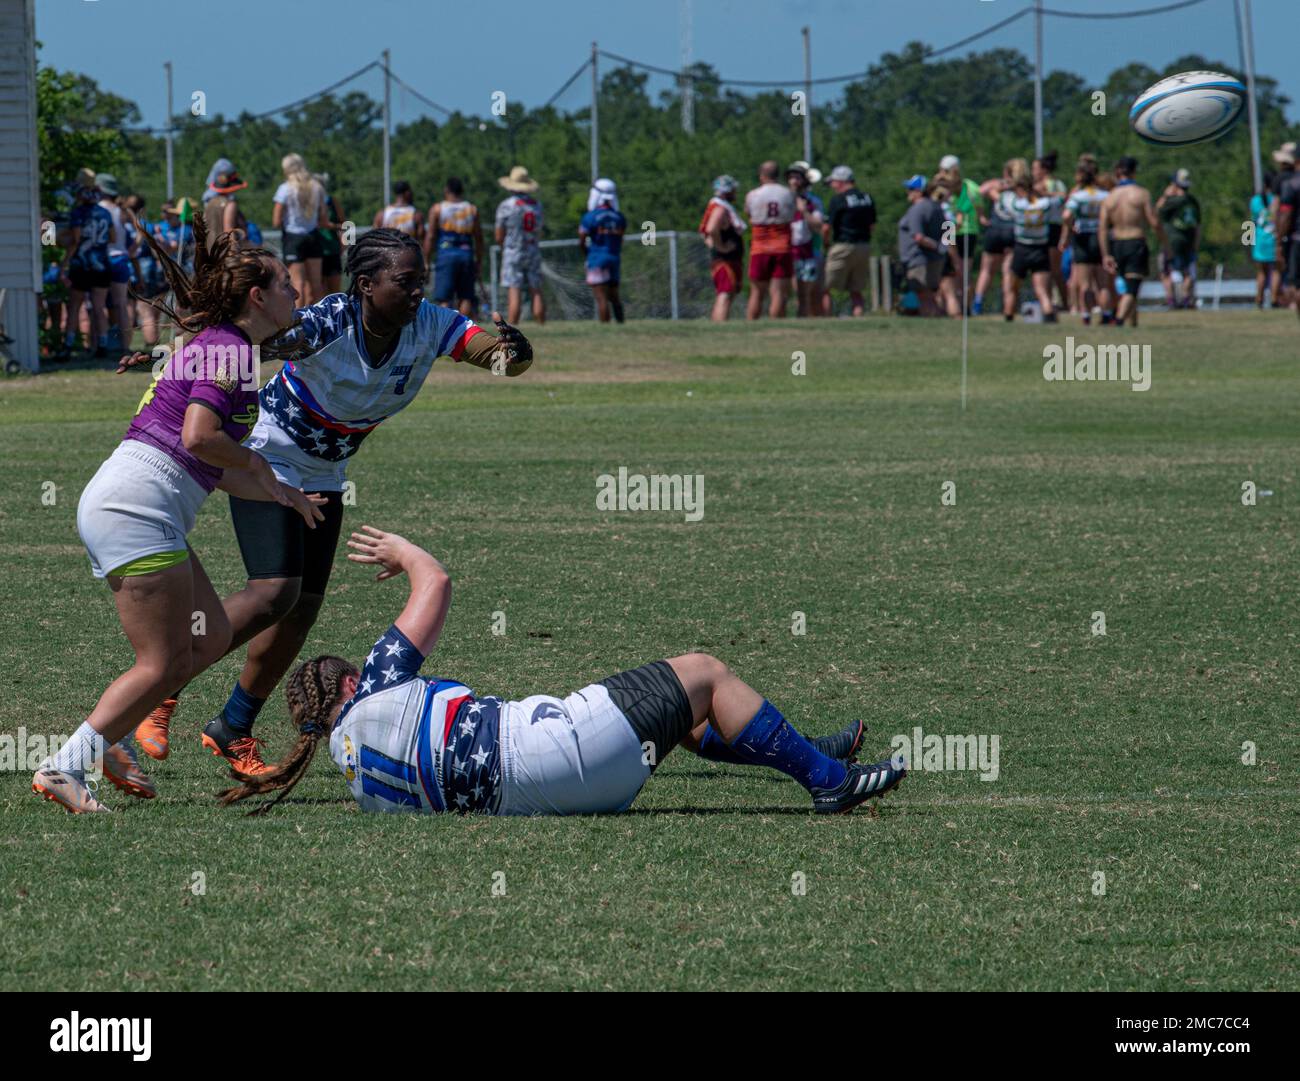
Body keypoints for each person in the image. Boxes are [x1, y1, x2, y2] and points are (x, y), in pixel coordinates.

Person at [126, 229, 536, 775]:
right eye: (405, 282)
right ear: (366, 285)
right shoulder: (327, 322)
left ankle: (232, 727)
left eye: (421, 281)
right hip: (267, 459)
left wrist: (517, 353)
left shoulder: (431, 325)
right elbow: (243, 343)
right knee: (274, 591)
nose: (418, 292)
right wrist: (173, 358)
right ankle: (164, 686)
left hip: (326, 473)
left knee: (301, 609)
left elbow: (501, 362)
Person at [217, 526, 903, 818]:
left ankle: (810, 751)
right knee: (704, 671)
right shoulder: (374, 683)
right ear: (345, 686)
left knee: (684, 715)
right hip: (556, 749)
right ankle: (829, 782)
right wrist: (406, 551)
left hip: (558, 793)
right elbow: (437, 583)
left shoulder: (355, 777)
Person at [32, 215, 324, 814]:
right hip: (134, 506)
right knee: (162, 661)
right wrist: (263, 470)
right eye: (288, 287)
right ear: (257, 296)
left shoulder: (229, 346)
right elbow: (199, 437)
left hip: (142, 505)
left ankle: (107, 740)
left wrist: (281, 492)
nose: (297, 295)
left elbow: (219, 462)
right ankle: (67, 764)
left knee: (210, 635)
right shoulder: (231, 349)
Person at [1099, 156, 1166, 328]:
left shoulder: (1109, 198)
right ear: (1134, 172)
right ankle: (1119, 321)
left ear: (1117, 173)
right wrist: (1165, 243)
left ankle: (1133, 323)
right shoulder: (1141, 194)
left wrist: (1106, 254)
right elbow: (1154, 222)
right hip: (1135, 241)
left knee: (1127, 285)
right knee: (1132, 288)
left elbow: (1103, 229)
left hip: (1116, 244)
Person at [60, 175, 112, 358]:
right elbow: (111, 238)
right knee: (99, 307)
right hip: (102, 263)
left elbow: (75, 240)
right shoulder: (106, 213)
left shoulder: (78, 213)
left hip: (81, 264)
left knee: (74, 306)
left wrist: (63, 266)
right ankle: (103, 345)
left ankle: (67, 345)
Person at [1005, 157, 1062, 322]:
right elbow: (1061, 198)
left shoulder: (1017, 205)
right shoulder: (1044, 204)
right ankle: (1049, 315)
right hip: (1040, 248)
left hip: (1022, 248)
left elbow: (999, 198)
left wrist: (1010, 186)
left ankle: (1008, 316)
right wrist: (1043, 193)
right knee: (1041, 289)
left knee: (1012, 288)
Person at [819, 165, 875, 317]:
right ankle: (859, 315)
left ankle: (826, 319)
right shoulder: (867, 198)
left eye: (833, 182)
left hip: (843, 245)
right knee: (856, 289)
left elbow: (826, 228)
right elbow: (872, 225)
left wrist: (826, 244)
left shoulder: (838, 199)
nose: (832, 186)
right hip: (864, 246)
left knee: (825, 287)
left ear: (841, 181)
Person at [1060, 153, 1110, 325]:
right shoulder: (1104, 195)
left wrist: (1070, 228)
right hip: (1101, 237)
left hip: (1083, 238)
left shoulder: (1078, 196)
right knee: (1103, 283)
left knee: (1085, 284)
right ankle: (1106, 315)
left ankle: (1086, 315)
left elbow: (1066, 215)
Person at [273, 153, 329, 307]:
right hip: (313, 236)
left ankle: (297, 322)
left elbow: (276, 221)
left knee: (298, 283)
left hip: (293, 237)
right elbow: (324, 218)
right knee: (316, 284)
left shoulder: (285, 189)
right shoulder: (317, 187)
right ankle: (321, 321)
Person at [743, 160, 795, 319]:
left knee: (757, 291)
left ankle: (751, 324)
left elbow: (748, 213)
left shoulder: (753, 194)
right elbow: (791, 215)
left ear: (762, 175)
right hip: (782, 246)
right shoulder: (787, 193)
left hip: (760, 247)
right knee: (778, 292)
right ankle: (776, 325)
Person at [494, 166, 546, 325]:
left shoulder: (506, 205)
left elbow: (498, 235)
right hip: (532, 249)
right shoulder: (536, 205)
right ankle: (541, 323)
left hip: (513, 250)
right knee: (535, 289)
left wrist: (504, 245)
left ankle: (513, 325)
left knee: (514, 290)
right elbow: (539, 230)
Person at [426, 177, 482, 317]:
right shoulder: (471, 209)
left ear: (446, 190)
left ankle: (446, 331)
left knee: (444, 298)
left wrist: (426, 259)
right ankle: (464, 331)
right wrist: (479, 261)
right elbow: (479, 238)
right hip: (466, 253)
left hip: (446, 254)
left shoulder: (438, 209)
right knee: (466, 296)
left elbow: (431, 236)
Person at [579, 178, 627, 324]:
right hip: (614, 257)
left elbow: (582, 238)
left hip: (597, 257)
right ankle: (620, 323)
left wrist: (586, 253)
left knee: (601, 297)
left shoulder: (590, 217)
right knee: (614, 296)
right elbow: (621, 238)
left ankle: (605, 326)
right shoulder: (619, 217)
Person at [897, 174, 946, 317]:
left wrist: (935, 246)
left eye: (911, 189)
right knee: (926, 294)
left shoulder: (917, 209)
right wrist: (944, 248)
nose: (908, 192)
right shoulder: (936, 207)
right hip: (935, 259)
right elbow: (950, 227)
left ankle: (934, 318)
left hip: (918, 259)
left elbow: (918, 237)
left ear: (919, 191)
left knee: (923, 295)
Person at [699, 175, 746, 322]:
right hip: (725, 259)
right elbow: (711, 229)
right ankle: (720, 326)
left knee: (728, 292)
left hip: (728, 259)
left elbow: (705, 233)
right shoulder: (720, 209)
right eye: (733, 190)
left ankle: (719, 325)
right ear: (728, 191)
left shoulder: (716, 206)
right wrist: (722, 248)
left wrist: (714, 245)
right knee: (725, 293)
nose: (735, 193)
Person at [941, 154, 981, 315]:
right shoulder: (971, 186)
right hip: (968, 231)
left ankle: (952, 306)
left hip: (950, 228)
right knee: (965, 272)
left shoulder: (942, 185)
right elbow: (979, 209)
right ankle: (965, 308)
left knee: (948, 271)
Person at [974, 166, 1016, 316]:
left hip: (995, 229)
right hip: (1011, 230)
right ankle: (1007, 305)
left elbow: (980, 191)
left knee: (986, 269)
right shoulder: (1020, 187)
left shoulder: (998, 187)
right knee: (1007, 270)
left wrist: (997, 186)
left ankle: (978, 302)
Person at [1155, 168, 1201, 310]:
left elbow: (1156, 212)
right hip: (1189, 239)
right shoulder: (1193, 201)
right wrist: (1196, 244)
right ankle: (1186, 299)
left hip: (1172, 240)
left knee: (1169, 271)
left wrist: (1165, 195)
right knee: (1187, 272)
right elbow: (1198, 225)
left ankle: (1173, 300)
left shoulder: (1173, 201)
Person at [786, 162, 824, 317]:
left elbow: (818, 225)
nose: (794, 181)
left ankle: (804, 319)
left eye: (798, 178)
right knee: (786, 291)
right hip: (786, 250)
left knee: (806, 292)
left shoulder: (813, 202)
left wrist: (804, 212)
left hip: (806, 250)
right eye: (791, 178)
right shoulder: (784, 198)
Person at [1033, 151, 1069, 308]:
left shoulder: (1046, 185)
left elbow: (1064, 198)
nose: (1033, 172)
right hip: (1050, 227)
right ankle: (1056, 302)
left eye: (1035, 168)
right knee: (1051, 269)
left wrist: (1044, 193)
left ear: (1043, 170)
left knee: (1049, 269)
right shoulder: (1058, 183)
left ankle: (1057, 302)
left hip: (1050, 227)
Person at [1272, 144, 1300, 318]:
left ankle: (1272, 300)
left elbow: (1284, 214)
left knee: (1295, 284)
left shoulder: (1287, 183)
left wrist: (1279, 241)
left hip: (1294, 238)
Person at [201, 158, 248, 251]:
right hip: (225, 255)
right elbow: (229, 232)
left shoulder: (209, 203)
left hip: (209, 255)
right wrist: (235, 255)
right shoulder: (230, 204)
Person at [1250, 173, 1278, 309]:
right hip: (1274, 238)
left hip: (1259, 240)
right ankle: (1274, 299)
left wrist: (1247, 240)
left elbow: (1250, 222)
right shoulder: (1277, 199)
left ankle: (1259, 299)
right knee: (1275, 271)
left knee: (1261, 272)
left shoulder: (1255, 200)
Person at [316, 175, 345, 297]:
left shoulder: (332, 201)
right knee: (317, 291)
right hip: (315, 251)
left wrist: (347, 243)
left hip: (332, 250)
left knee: (334, 292)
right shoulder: (308, 204)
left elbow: (347, 223)